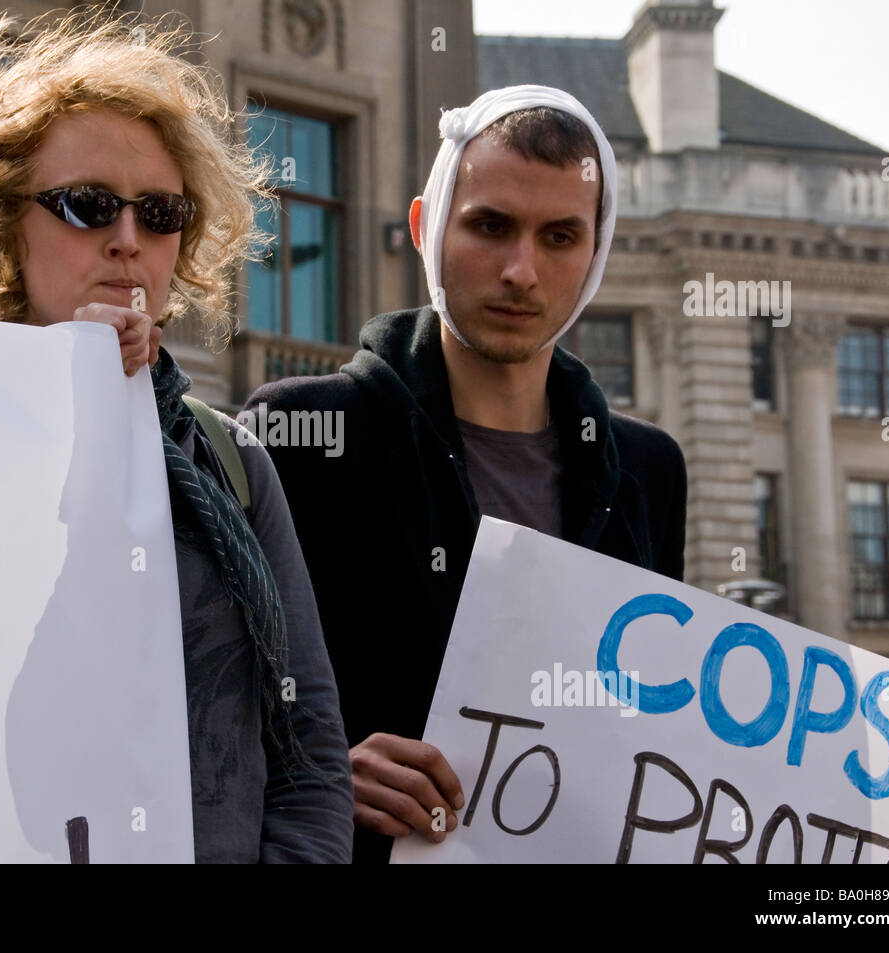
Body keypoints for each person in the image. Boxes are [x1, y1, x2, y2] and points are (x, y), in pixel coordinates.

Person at [0, 10, 353, 863]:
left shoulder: (234, 467)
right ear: (11, 225)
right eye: (86, 205)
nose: (127, 240)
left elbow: (309, 752)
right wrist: (82, 409)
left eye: (159, 212)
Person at [247, 85, 688, 863]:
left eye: (559, 236)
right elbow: (213, 715)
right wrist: (327, 775)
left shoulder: (650, 471)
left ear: (595, 252)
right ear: (426, 228)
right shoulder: (296, 435)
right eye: (491, 225)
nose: (522, 270)